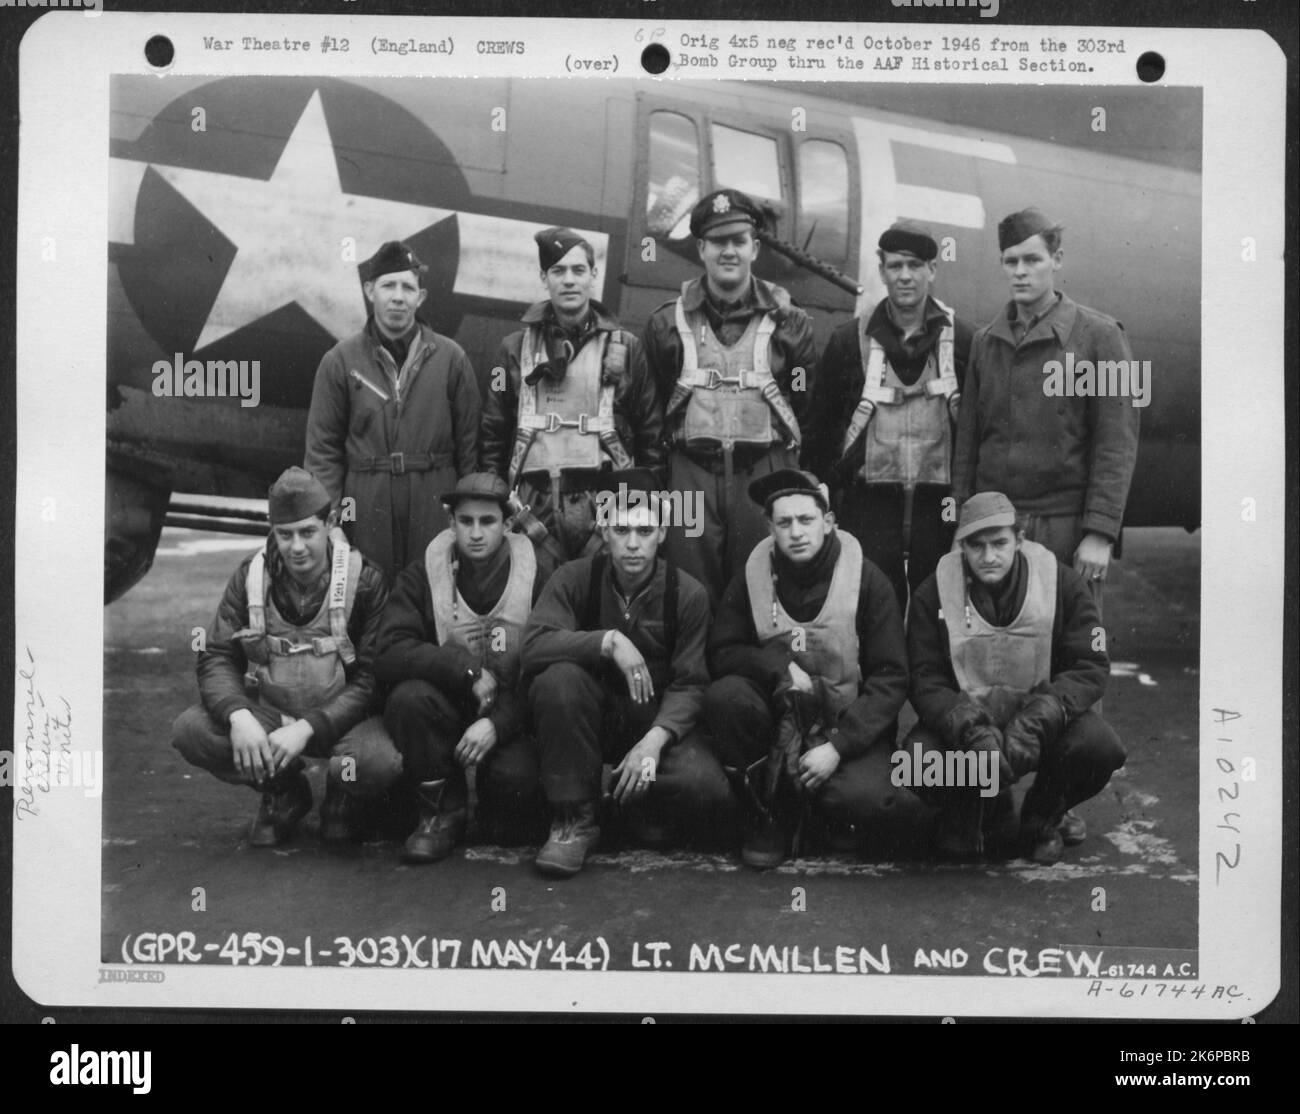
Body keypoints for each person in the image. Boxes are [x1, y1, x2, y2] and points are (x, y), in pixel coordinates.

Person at [172, 467, 401, 847]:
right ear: (272, 530)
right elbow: (216, 655)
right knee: (193, 732)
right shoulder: (250, 576)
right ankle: (283, 789)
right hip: (274, 716)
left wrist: (308, 727)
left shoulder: (365, 580)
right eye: (285, 534)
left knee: (379, 761)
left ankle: (342, 792)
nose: (296, 547)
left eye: (307, 532)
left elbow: (373, 679)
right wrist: (238, 714)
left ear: (329, 523)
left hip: (341, 721)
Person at [520, 468, 731, 876]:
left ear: (662, 532)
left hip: (652, 724)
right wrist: (607, 641)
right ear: (604, 529)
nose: (633, 544)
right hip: (589, 725)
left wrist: (653, 743)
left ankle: (620, 797)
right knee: (554, 686)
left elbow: (691, 683)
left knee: (705, 789)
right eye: (621, 529)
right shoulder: (574, 578)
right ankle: (575, 819)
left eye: (645, 530)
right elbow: (532, 647)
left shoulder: (686, 593)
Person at [704, 469, 910, 868]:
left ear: (829, 522)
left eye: (806, 520)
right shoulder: (752, 574)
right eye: (784, 522)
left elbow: (892, 676)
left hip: (847, 724)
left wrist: (839, 745)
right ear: (770, 527)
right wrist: (779, 666)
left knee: (867, 800)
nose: (796, 532)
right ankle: (767, 812)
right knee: (725, 696)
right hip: (779, 720)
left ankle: (820, 811)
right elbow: (722, 650)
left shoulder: (868, 580)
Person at [905, 492, 1125, 864]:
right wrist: (970, 729)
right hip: (970, 730)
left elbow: (1091, 662)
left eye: (999, 543)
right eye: (975, 545)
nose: (988, 556)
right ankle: (977, 808)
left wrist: (1041, 716)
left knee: (1101, 747)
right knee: (916, 760)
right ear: (961, 546)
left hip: (1038, 722)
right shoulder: (935, 590)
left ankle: (1042, 817)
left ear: (1020, 541)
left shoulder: (1062, 581)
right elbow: (924, 677)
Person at [952, 207, 1140, 598]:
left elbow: (1116, 443)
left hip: (1066, 531)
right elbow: (967, 445)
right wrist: (963, 525)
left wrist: (1100, 533)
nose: (1020, 271)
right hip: (995, 530)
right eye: (1011, 261)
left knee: (1072, 650)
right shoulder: (984, 343)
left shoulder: (1103, 337)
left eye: (1032, 259)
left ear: (1056, 261)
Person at [642, 189, 818, 603]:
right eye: (718, 242)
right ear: (701, 248)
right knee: (687, 588)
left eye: (738, 241)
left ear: (754, 248)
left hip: (763, 471)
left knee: (759, 587)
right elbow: (650, 415)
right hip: (689, 475)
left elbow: (804, 402)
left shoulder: (791, 323)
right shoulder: (667, 323)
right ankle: (691, 670)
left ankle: (750, 669)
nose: (729, 252)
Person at [375, 474, 547, 862]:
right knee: (408, 698)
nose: (475, 533)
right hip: (452, 705)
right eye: (465, 521)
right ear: (451, 524)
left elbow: (549, 664)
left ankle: (493, 796)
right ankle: (440, 810)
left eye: (487, 522)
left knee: (513, 810)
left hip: (514, 713)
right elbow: (388, 651)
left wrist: (498, 724)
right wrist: (463, 668)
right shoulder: (425, 572)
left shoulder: (538, 569)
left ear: (506, 524)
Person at [805, 220, 974, 615]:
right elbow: (821, 428)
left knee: (938, 612)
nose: (905, 276)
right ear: (881, 269)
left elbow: (978, 429)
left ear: (933, 270)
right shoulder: (848, 341)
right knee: (872, 611)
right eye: (895, 265)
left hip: (941, 505)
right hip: (869, 502)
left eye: (915, 265)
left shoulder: (964, 340)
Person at [481, 227, 663, 582]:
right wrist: (493, 502)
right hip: (534, 507)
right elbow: (493, 433)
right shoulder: (512, 351)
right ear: (543, 277)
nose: (569, 281)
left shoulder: (628, 349)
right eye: (558, 271)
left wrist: (648, 506)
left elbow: (651, 434)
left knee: (601, 608)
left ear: (593, 276)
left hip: (607, 501)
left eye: (578, 270)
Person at [304, 239, 481, 582]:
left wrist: (469, 518)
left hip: (434, 499)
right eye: (388, 286)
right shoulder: (339, 362)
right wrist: (334, 523)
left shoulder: (452, 359)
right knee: (367, 598)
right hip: (363, 503)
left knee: (431, 601)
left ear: (421, 296)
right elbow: (322, 453)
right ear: (370, 291)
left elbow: (470, 452)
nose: (398, 297)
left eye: (407, 287)